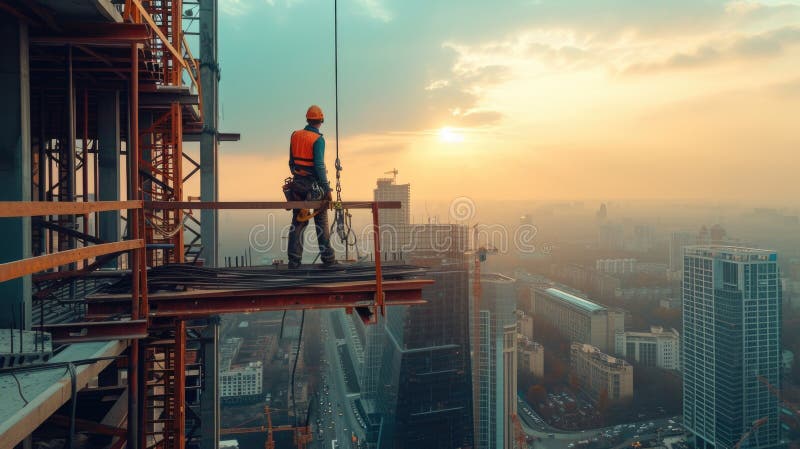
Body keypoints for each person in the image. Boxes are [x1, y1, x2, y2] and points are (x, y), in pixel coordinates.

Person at [286, 105, 337, 269]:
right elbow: (319, 166)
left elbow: (291, 162)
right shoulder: (318, 140)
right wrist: (327, 189)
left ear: (307, 119)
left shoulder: (295, 135)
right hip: (313, 187)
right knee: (321, 220)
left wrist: (299, 176)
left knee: (298, 220)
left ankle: (294, 260)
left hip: (297, 184)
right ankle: (328, 258)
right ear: (321, 120)